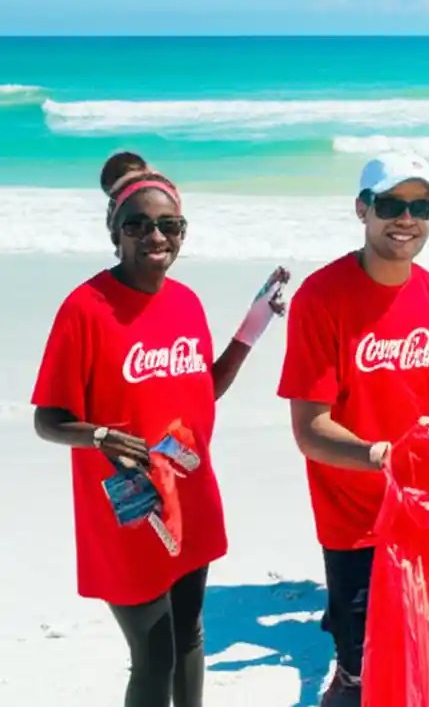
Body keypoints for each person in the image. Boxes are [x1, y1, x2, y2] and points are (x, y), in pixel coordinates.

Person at [32, 153, 288, 707]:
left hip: (188, 496)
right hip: (124, 510)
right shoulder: (85, 309)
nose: (155, 236)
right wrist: (98, 437)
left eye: (169, 226)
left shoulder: (186, 303)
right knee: (153, 656)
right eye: (138, 224)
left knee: (190, 635)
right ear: (115, 232)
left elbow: (201, 389)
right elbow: (47, 420)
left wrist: (253, 324)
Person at [277, 151, 429, 706]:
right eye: (390, 204)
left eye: (421, 206)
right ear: (362, 209)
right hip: (353, 516)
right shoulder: (321, 297)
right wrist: (384, 456)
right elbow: (310, 431)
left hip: (425, 513)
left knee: (427, 650)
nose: (406, 219)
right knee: (362, 663)